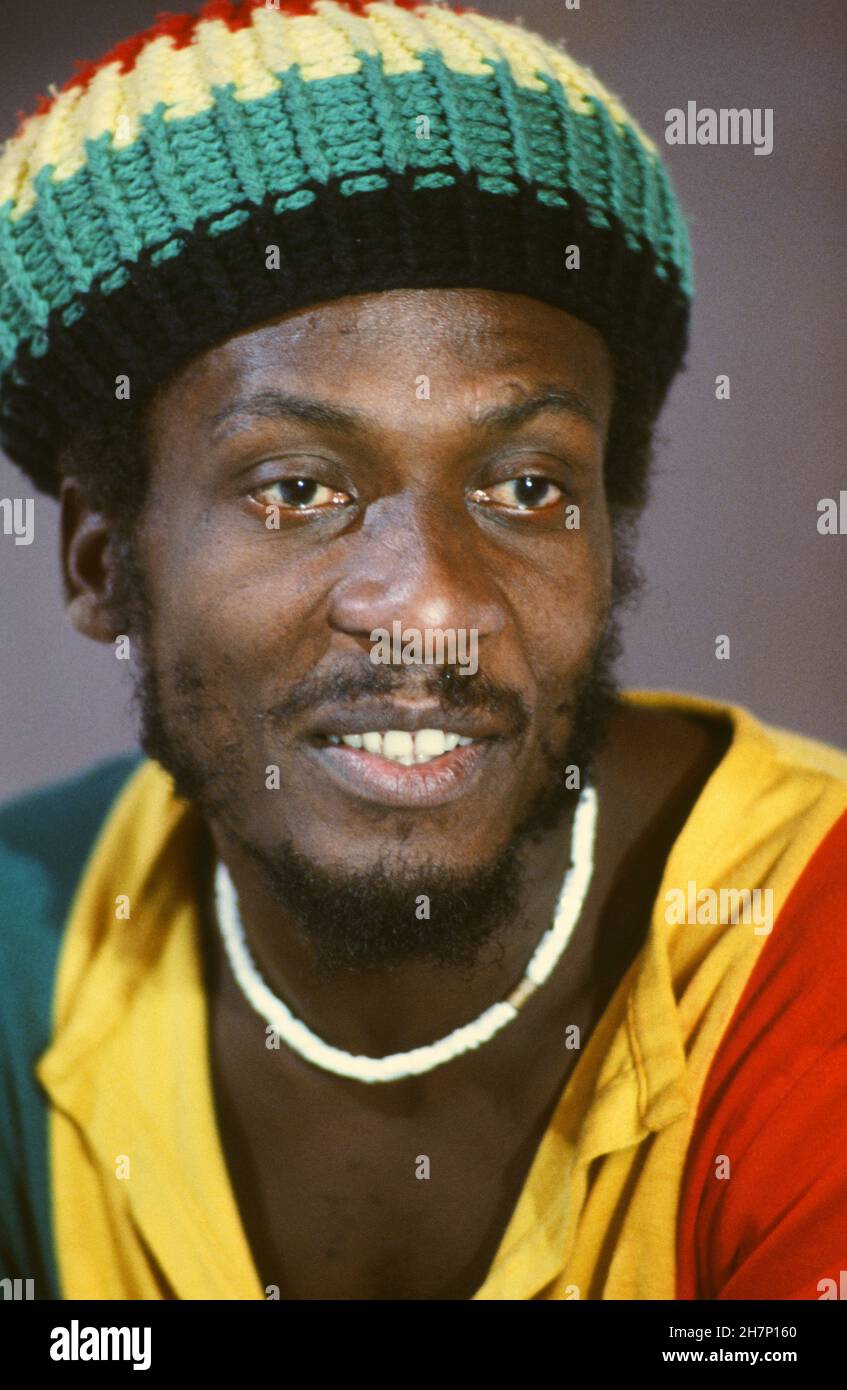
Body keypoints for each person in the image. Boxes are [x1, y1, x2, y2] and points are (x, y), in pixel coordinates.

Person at [1, 0, 845, 1302]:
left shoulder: (808, 955)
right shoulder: (26, 950)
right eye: (296, 488)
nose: (434, 608)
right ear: (101, 564)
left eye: (525, 488)